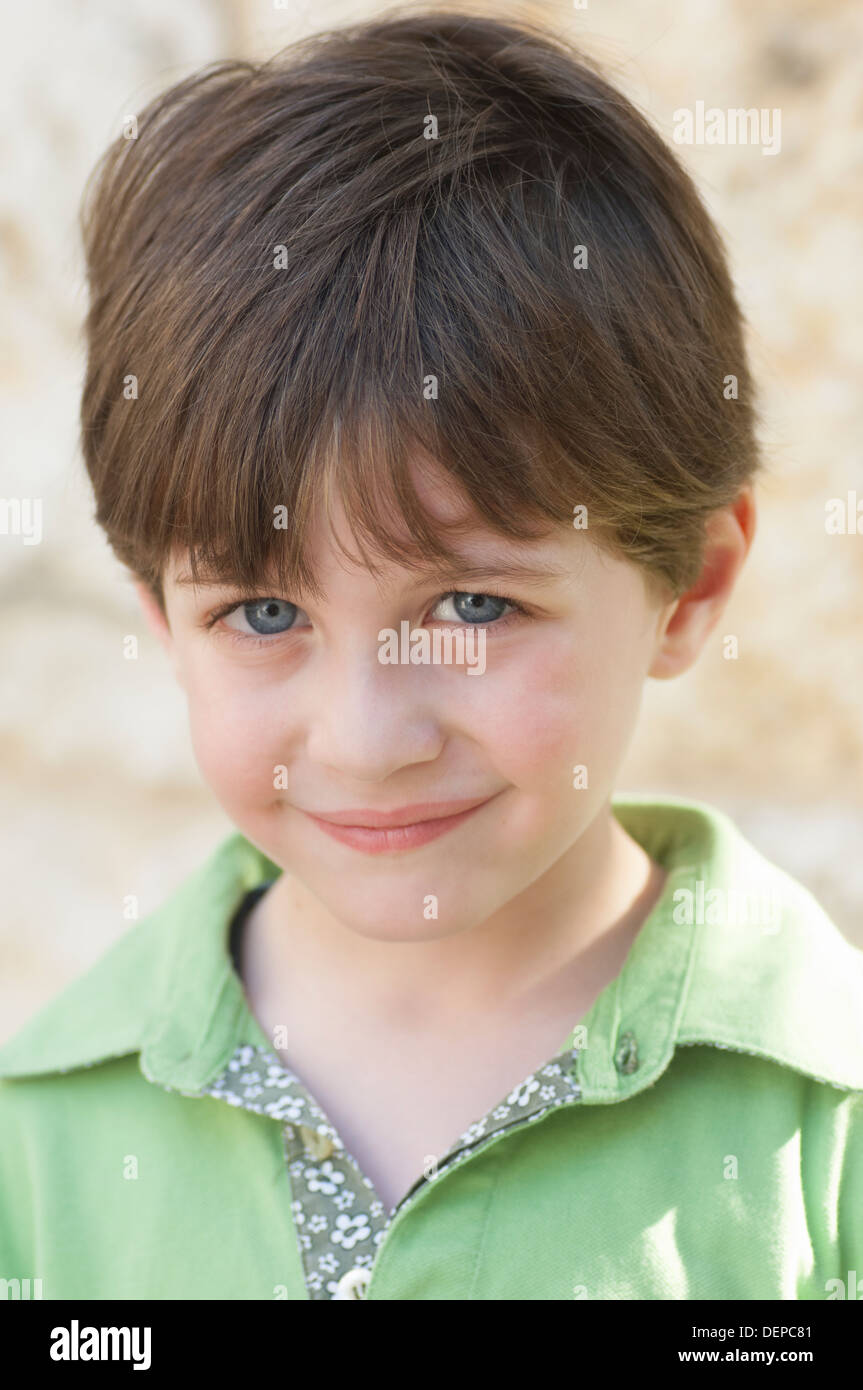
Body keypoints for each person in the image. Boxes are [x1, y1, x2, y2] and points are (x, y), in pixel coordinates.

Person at [1, 8, 861, 1301]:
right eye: (265, 614)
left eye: (469, 607)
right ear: (158, 613)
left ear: (690, 582)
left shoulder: (826, 1128)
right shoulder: (41, 1141)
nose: (362, 734)